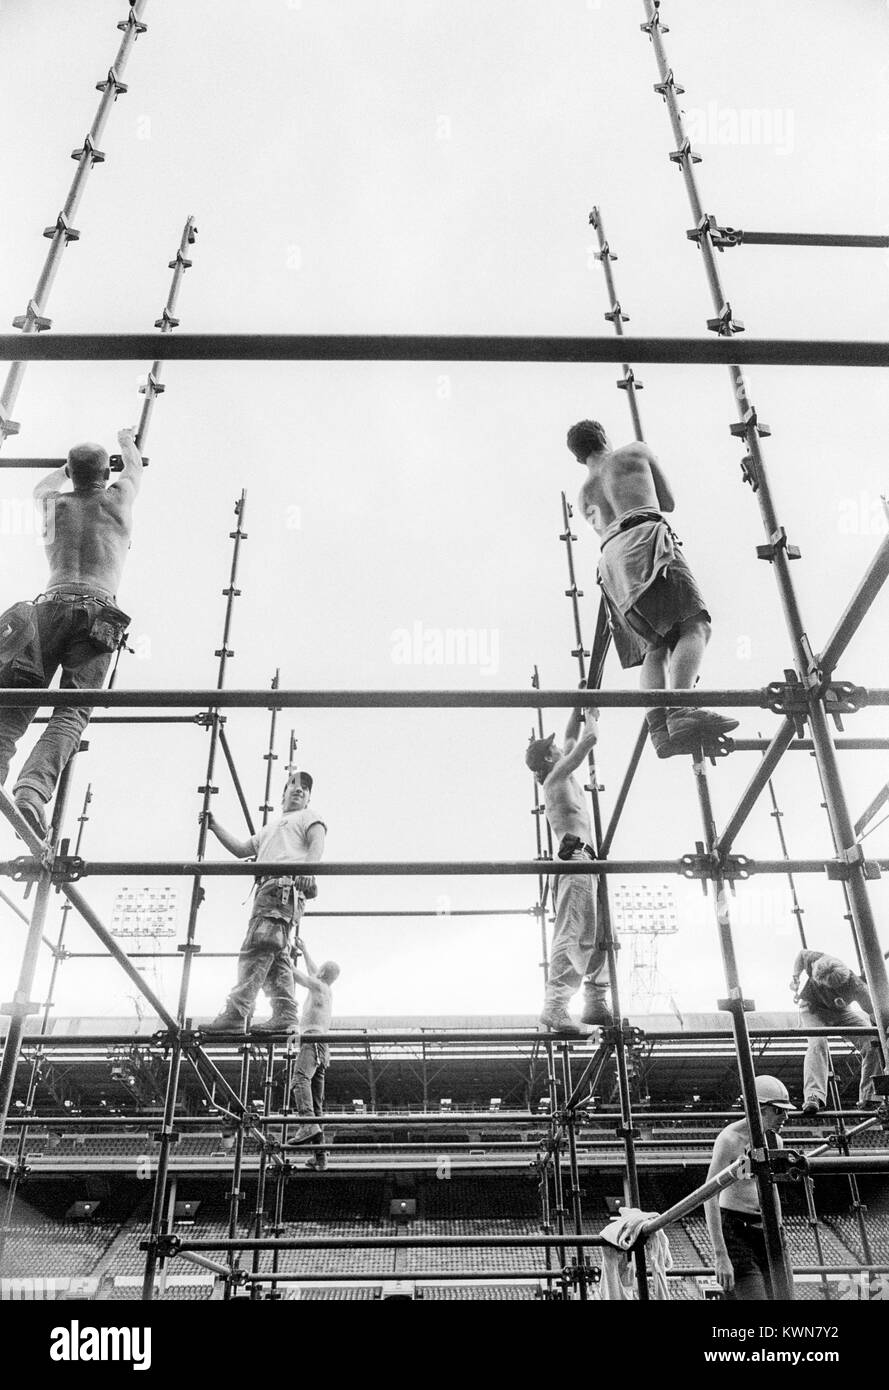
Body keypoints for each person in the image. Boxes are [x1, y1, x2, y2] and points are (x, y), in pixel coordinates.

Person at [566, 420, 738, 758]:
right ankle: (680, 710)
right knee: (695, 626)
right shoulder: (635, 451)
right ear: (604, 437)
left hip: (611, 563)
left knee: (655, 646)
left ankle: (659, 727)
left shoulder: (583, 493)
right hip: (644, 538)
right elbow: (668, 502)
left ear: (577, 458)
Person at [0, 431, 141, 835]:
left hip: (50, 605)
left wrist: (66, 468)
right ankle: (32, 790)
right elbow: (133, 468)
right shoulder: (116, 501)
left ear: (73, 473)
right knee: (72, 709)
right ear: (102, 473)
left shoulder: (53, 505)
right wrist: (127, 442)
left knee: (13, 706)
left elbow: (42, 485)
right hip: (98, 608)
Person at [203, 770, 326, 1034]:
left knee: (258, 947)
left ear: (308, 798)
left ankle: (237, 1012)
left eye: (305, 788)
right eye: (293, 785)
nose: (299, 790)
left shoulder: (308, 817)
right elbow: (241, 849)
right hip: (270, 890)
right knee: (277, 957)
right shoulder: (271, 828)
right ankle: (285, 1014)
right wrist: (214, 826)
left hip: (282, 888)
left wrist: (306, 872)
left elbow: (317, 842)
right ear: (283, 794)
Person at [525, 703, 613, 1036]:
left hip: (588, 861)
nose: (561, 748)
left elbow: (570, 736)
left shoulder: (563, 774)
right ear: (549, 758)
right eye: (555, 749)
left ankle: (595, 997)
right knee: (573, 929)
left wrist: (578, 704)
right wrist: (591, 714)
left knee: (604, 933)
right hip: (575, 857)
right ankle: (556, 1006)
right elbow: (587, 739)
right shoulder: (556, 777)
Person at [703, 1074, 795, 1301]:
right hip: (737, 1231)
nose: (785, 1116)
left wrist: (779, 1230)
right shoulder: (730, 1140)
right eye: (779, 1110)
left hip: (769, 1230)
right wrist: (720, 1254)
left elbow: (770, 1187)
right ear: (759, 1109)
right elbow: (709, 1195)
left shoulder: (774, 1141)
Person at [790, 948, 884, 1116]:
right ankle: (813, 1095)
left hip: (842, 1012)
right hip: (813, 1009)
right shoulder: (815, 960)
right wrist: (795, 977)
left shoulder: (857, 987)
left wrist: (884, 1033)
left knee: (872, 1042)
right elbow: (800, 954)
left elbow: (873, 1014)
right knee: (817, 1044)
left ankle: (870, 1096)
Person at [286, 936, 340, 1168]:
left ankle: (307, 1123)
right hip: (321, 1045)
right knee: (316, 1103)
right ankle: (320, 1157)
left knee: (299, 1079)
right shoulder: (325, 988)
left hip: (312, 1040)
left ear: (322, 974)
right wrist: (305, 950)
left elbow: (298, 976)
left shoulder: (318, 985)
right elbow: (313, 971)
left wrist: (282, 956)